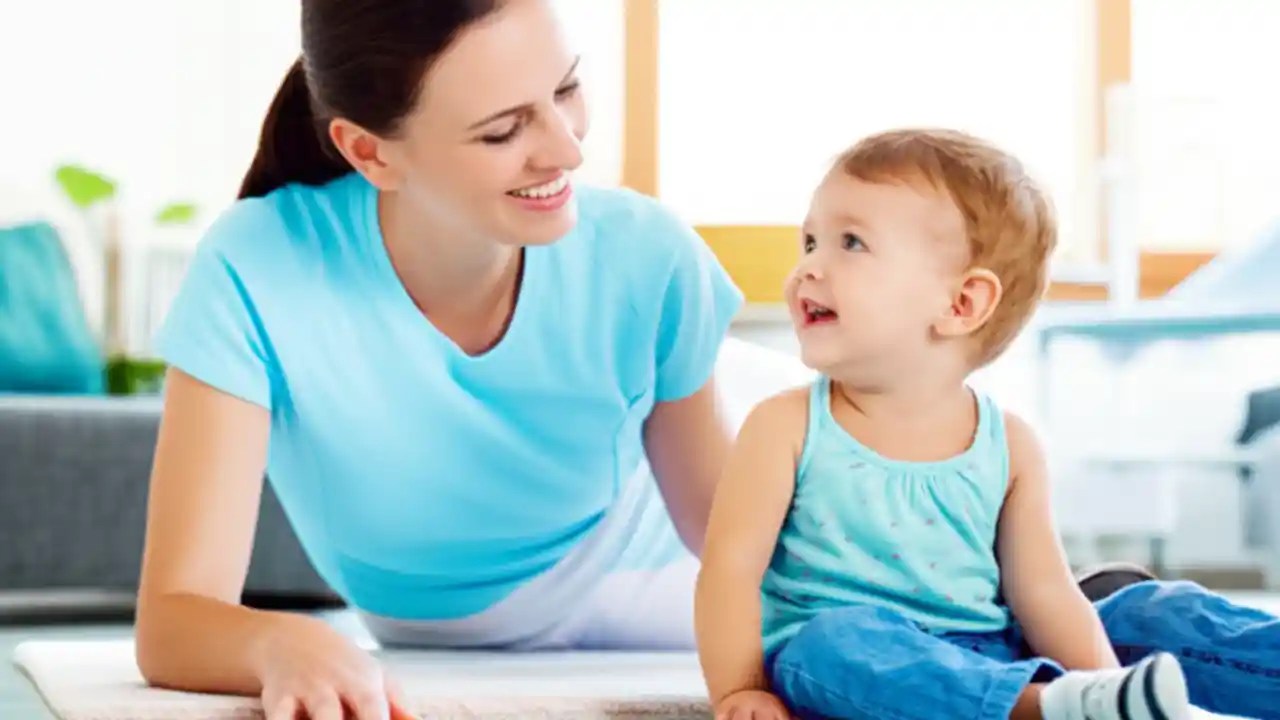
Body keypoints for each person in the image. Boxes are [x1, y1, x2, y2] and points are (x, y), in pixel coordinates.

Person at [133, 1, 744, 719]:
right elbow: (174, 618)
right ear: (370, 152)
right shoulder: (257, 267)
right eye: (504, 130)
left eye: (567, 90)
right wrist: (276, 643)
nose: (567, 149)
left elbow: (739, 540)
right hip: (450, 618)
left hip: (655, 556)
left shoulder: (647, 254)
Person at [694, 128, 1280, 720]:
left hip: (994, 647)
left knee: (1149, 612)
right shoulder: (786, 427)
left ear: (962, 305)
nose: (808, 269)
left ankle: (1100, 700)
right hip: (858, 659)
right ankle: (1041, 709)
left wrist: (1105, 681)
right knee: (832, 644)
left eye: (850, 243)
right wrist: (740, 689)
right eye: (810, 241)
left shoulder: (1011, 445)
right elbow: (730, 572)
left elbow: (1044, 592)